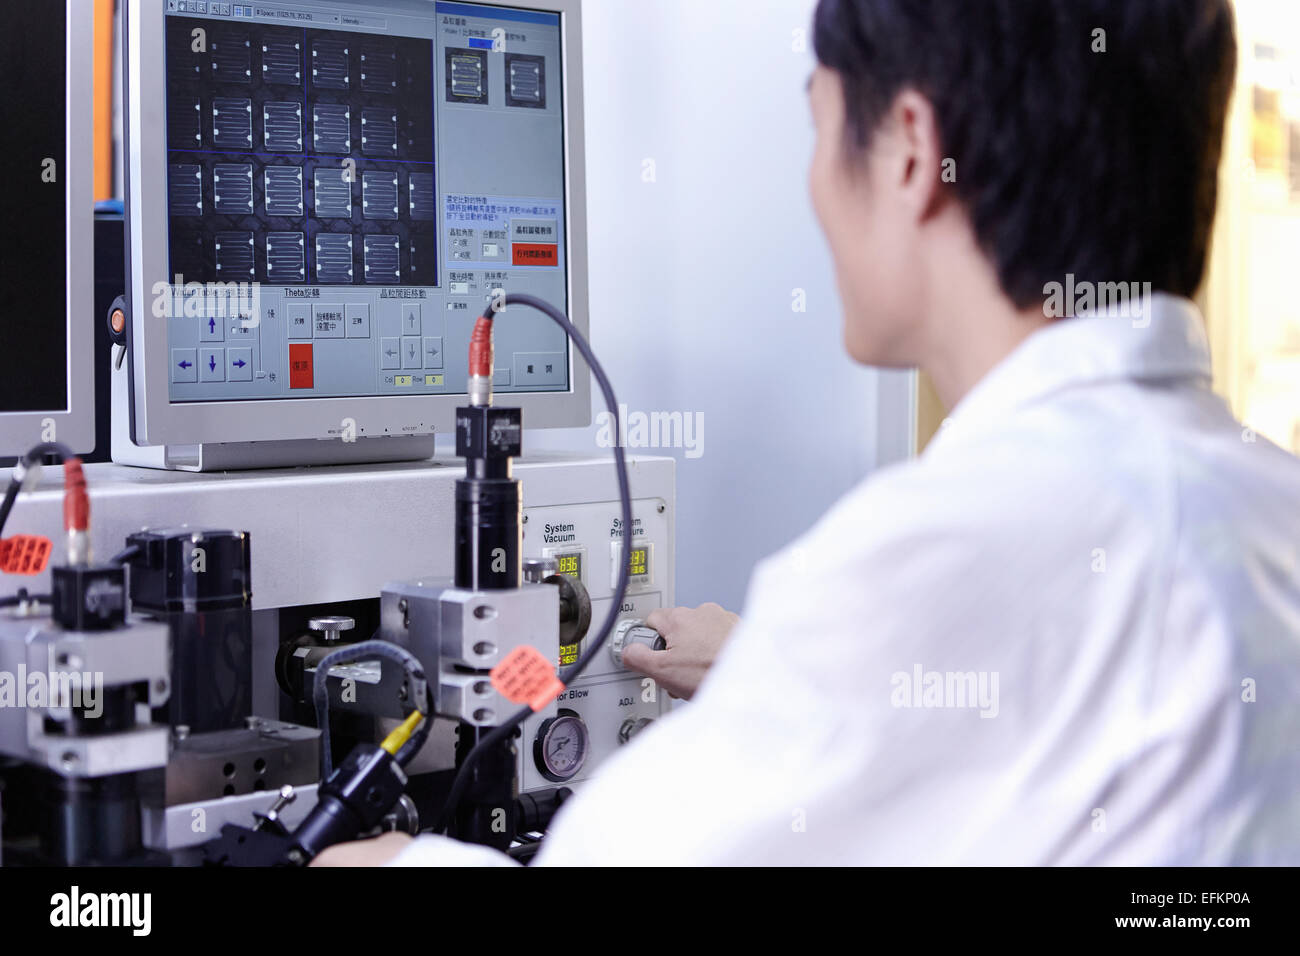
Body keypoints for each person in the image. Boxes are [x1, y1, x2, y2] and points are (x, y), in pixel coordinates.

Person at [316, 0, 1300, 866]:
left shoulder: (938, 555)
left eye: (820, 124)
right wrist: (782, 678)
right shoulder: (1267, 502)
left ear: (911, 152)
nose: (816, 185)